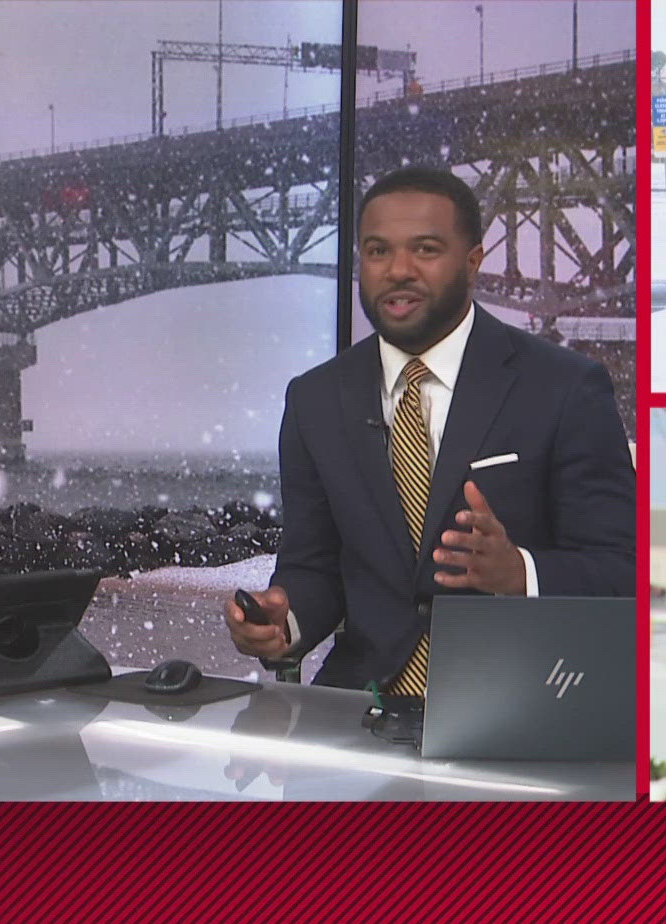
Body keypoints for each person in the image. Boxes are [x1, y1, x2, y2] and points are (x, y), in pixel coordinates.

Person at [224, 166, 635, 692]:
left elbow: (622, 571)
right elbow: (315, 566)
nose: (398, 270)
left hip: (520, 701)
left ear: (473, 261)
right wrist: (284, 620)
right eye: (378, 251)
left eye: (425, 249)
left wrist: (520, 573)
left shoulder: (565, 388)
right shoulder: (315, 399)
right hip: (357, 705)